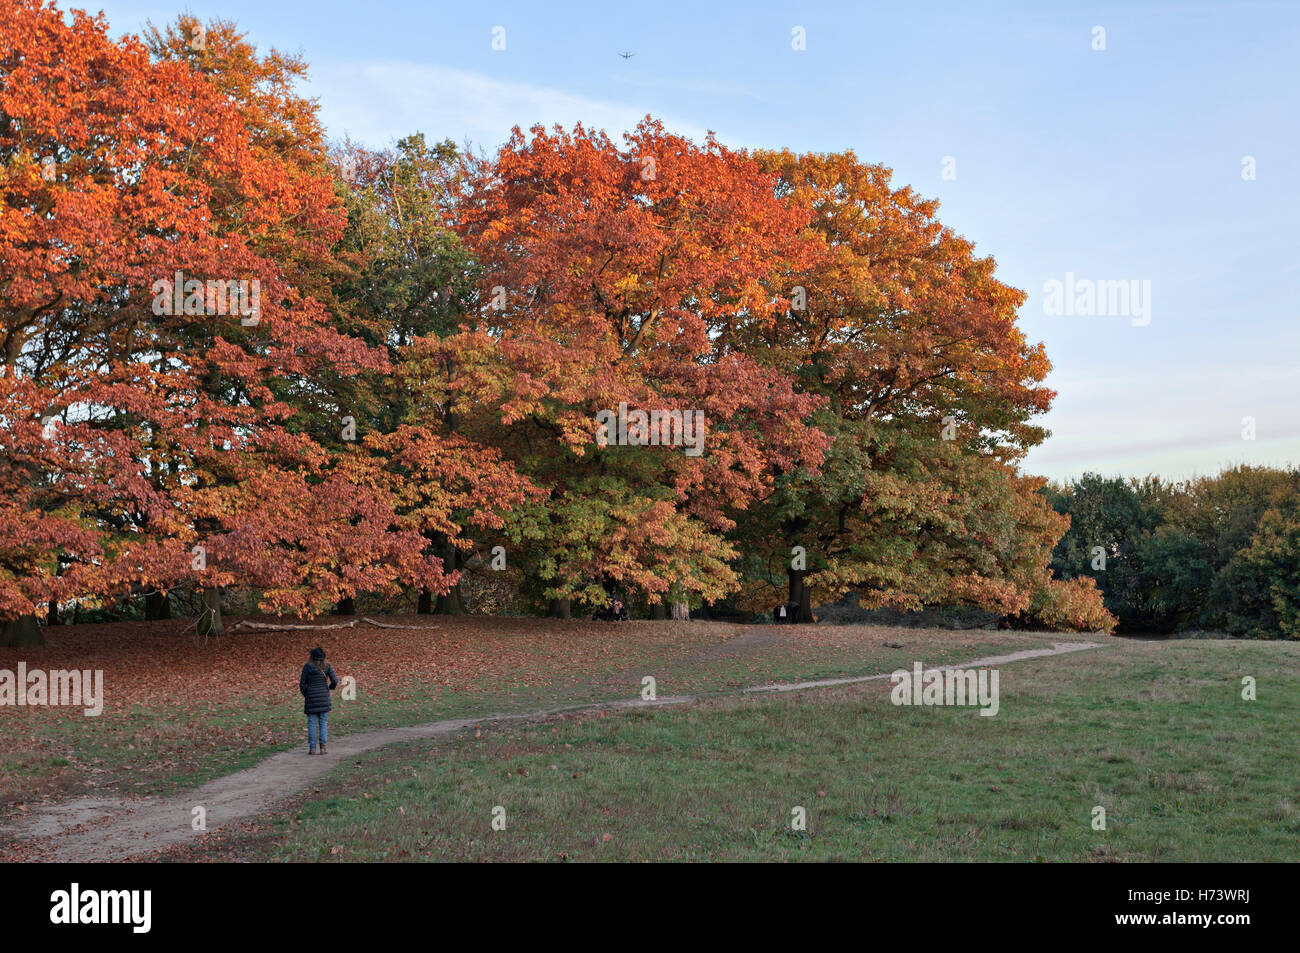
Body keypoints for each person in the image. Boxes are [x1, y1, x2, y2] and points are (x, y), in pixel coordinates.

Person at [299, 646, 338, 755]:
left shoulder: (307, 667)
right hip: (324, 697)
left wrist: (306, 694)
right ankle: (323, 747)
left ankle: (312, 748)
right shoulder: (327, 666)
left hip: (311, 697)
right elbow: (335, 680)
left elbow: (302, 684)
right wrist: (330, 687)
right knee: (323, 723)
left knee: (311, 723)